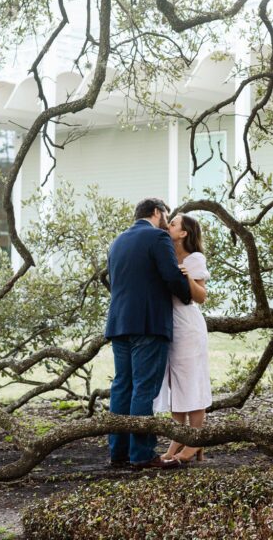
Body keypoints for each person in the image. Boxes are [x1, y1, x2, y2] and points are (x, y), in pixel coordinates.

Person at [105, 197, 192, 470]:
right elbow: (170, 276)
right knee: (144, 387)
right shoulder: (157, 237)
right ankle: (142, 454)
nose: (167, 220)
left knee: (122, 386)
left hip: (119, 322)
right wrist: (188, 295)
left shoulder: (116, 242)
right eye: (166, 214)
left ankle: (118, 453)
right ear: (157, 212)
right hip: (149, 323)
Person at [153, 212, 212, 467]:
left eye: (174, 223)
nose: (169, 225)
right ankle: (177, 439)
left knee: (191, 380)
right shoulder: (166, 254)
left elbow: (201, 297)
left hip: (187, 324)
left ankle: (196, 439)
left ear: (184, 233)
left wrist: (186, 276)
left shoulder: (195, 258)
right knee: (175, 383)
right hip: (169, 325)